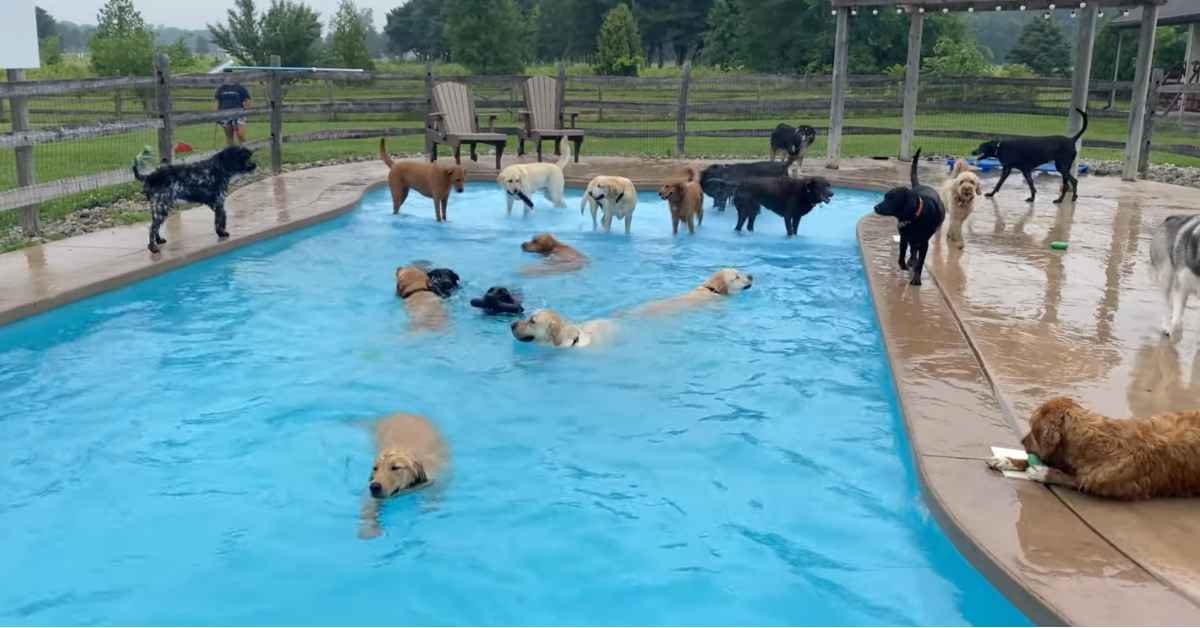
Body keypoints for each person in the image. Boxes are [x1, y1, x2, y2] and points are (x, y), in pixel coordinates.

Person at [213, 79, 251, 146]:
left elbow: (247, 99)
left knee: (240, 134)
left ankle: (246, 150)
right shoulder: (221, 88)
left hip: (238, 114)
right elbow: (217, 100)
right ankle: (230, 152)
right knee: (229, 135)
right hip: (224, 114)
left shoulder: (239, 87)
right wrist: (216, 112)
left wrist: (245, 110)